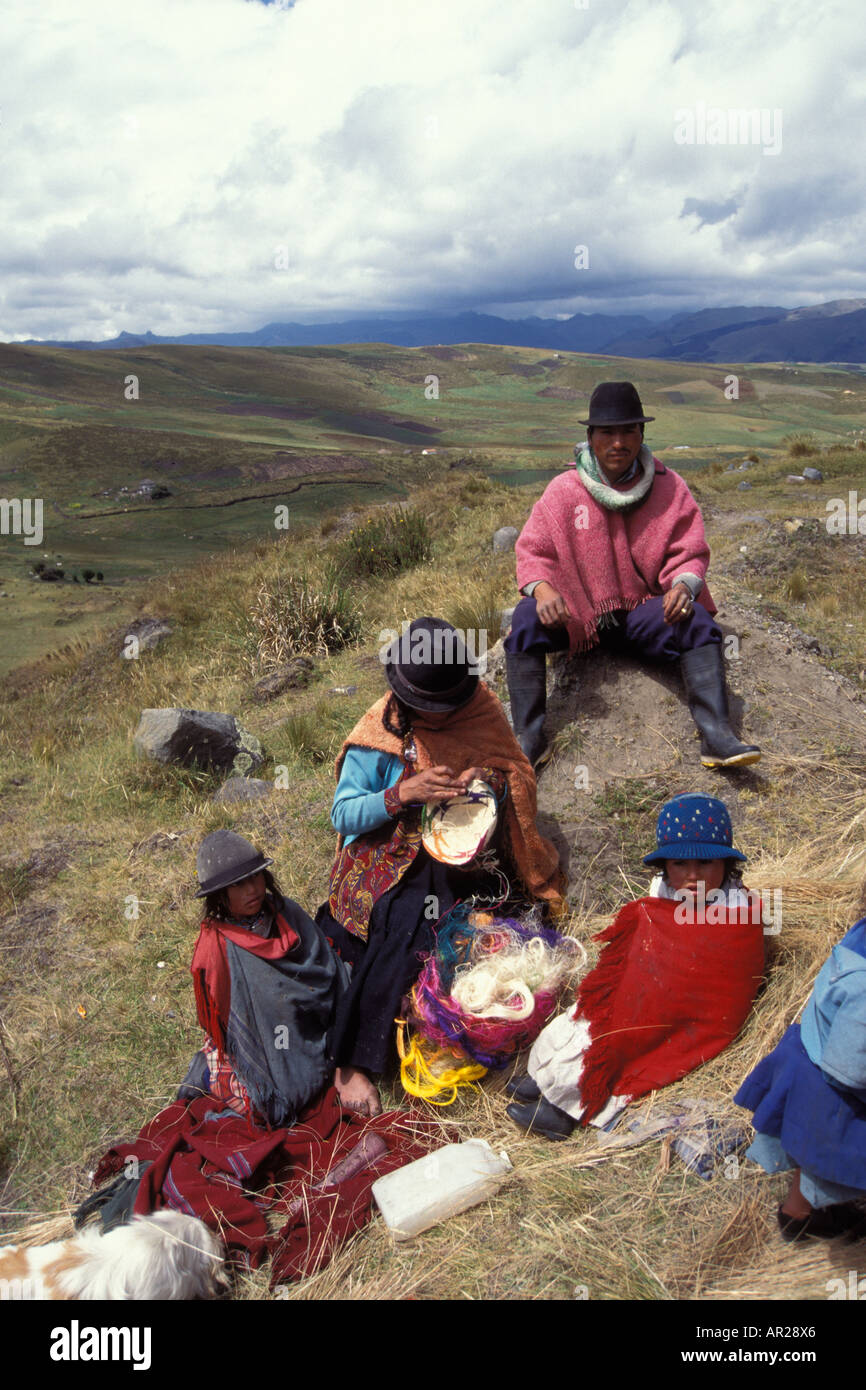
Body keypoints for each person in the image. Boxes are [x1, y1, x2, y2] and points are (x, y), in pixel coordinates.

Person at [316, 616, 565, 1117]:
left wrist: (486, 782)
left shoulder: (480, 709)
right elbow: (342, 814)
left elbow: (514, 769)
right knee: (404, 921)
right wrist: (402, 792)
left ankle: (413, 1023)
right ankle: (354, 1061)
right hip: (385, 849)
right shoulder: (380, 732)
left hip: (465, 848)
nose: (440, 715)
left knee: (486, 917)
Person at [505, 380, 760, 771]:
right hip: (580, 616)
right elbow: (532, 550)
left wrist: (683, 586)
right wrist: (541, 590)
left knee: (697, 622)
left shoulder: (669, 487)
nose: (618, 442)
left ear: (642, 434)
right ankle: (529, 740)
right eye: (607, 432)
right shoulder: (564, 490)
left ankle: (717, 735)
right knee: (525, 619)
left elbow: (688, 550)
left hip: (643, 614)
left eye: (629, 431)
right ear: (590, 437)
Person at [506, 793, 765, 1140]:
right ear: (664, 867)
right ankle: (544, 1077)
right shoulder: (663, 892)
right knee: (585, 1015)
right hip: (647, 987)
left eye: (705, 864)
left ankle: (565, 1111)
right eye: (678, 865)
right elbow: (650, 942)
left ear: (726, 865)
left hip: (676, 1015)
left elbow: (718, 988)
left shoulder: (737, 915)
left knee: (620, 1041)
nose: (692, 876)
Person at [181, 830, 354, 1125]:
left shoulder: (288, 913)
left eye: (256, 877)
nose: (252, 889)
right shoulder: (217, 946)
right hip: (262, 1044)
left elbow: (327, 971)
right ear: (219, 897)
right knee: (273, 1102)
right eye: (238, 884)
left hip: (312, 1028)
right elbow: (224, 1018)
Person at [735, 918, 866, 1242]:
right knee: (827, 1153)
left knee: (808, 1151)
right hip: (836, 1088)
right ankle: (807, 1213)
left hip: (812, 1066)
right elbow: (851, 1068)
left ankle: (799, 1215)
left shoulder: (862, 936)